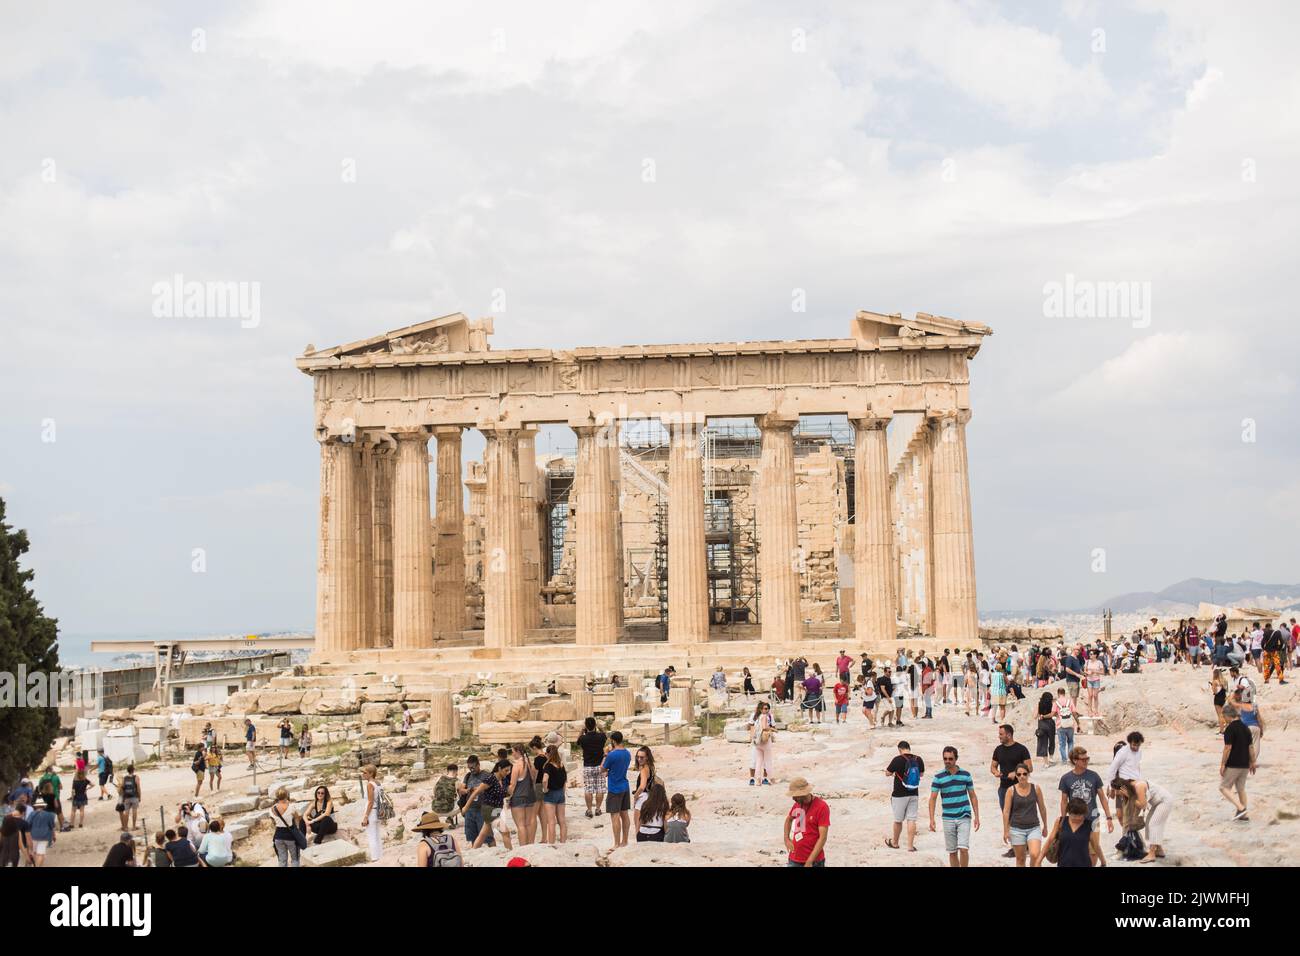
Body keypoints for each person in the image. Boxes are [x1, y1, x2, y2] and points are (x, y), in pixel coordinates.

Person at [928, 746, 979, 867]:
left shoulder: (966, 775)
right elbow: (932, 799)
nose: (947, 761)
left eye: (950, 758)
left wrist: (977, 816)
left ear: (956, 759)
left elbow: (973, 796)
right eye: (945, 758)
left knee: (964, 849)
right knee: (952, 852)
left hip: (964, 816)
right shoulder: (938, 777)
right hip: (948, 818)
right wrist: (931, 819)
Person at [1112, 777, 1173, 863]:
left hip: (1164, 801)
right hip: (1157, 803)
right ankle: (1159, 850)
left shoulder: (1138, 786)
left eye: (1118, 791)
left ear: (1123, 788)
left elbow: (1143, 805)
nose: (1117, 794)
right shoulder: (1132, 787)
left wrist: (1129, 796)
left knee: (1154, 824)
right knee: (1148, 822)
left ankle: (1152, 854)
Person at [1057, 747, 1113, 834]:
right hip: (1075, 820)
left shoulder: (1094, 776)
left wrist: (1109, 817)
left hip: (1093, 819)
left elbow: (1102, 798)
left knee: (1094, 847)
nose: (1086, 761)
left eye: (1087, 759)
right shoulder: (1065, 779)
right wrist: (1063, 820)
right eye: (1083, 759)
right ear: (1075, 760)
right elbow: (1064, 801)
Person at [1002, 762, 1046, 867]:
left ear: (1028, 774)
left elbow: (1042, 808)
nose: (1022, 776)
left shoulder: (1036, 789)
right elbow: (1006, 811)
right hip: (1016, 829)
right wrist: (1005, 830)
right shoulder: (1011, 790)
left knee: (1035, 855)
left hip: (1034, 827)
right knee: (1020, 859)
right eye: (1019, 774)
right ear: (1016, 776)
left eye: (1025, 774)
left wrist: (1045, 826)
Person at [883, 740, 924, 851]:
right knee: (911, 819)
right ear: (909, 748)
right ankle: (910, 846)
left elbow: (887, 772)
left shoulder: (897, 759)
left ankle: (895, 843)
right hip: (914, 793)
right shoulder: (918, 759)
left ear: (900, 749)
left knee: (898, 820)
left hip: (899, 794)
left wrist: (894, 773)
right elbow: (921, 774)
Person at [463, 758, 512, 850]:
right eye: (506, 770)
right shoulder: (491, 778)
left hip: (497, 810)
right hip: (489, 810)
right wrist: (466, 807)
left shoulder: (503, 779)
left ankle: (474, 851)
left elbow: (506, 793)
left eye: (509, 770)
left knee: (482, 834)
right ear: (500, 768)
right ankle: (511, 854)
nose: (508, 772)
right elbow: (476, 792)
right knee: (505, 832)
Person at [1218, 703, 1255, 821]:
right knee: (1241, 789)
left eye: (1224, 717)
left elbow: (1227, 748)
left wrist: (1223, 764)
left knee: (1223, 787)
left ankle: (1241, 808)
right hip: (1245, 764)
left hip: (1234, 763)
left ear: (1229, 715)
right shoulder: (1245, 728)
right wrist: (1252, 762)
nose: (1224, 719)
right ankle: (1244, 815)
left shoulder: (1230, 729)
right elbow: (1251, 747)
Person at [1046, 797, 1104, 868]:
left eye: (1080, 815)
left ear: (1084, 813)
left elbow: (1096, 846)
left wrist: (1103, 862)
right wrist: (1039, 860)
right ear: (1068, 812)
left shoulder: (1089, 825)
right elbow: (1049, 841)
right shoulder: (1060, 822)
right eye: (1074, 815)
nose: (1077, 818)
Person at [784, 777, 829, 867]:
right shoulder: (797, 804)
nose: (793, 798)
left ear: (802, 794)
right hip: (794, 857)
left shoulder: (821, 807)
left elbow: (822, 838)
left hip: (814, 861)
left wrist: (810, 861)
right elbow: (788, 819)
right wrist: (786, 838)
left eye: (795, 796)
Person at [601, 731, 633, 849]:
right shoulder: (627, 753)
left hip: (614, 788)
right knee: (625, 814)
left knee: (615, 816)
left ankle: (616, 843)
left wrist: (605, 754)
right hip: (625, 785)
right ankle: (625, 841)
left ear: (613, 741)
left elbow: (602, 769)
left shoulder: (612, 755)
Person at [506, 742, 537, 846]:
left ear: (518, 752)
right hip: (530, 796)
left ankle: (523, 847)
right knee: (528, 824)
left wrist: (506, 793)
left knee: (520, 825)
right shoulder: (529, 763)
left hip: (518, 797)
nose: (512, 754)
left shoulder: (516, 765)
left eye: (513, 752)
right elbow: (533, 779)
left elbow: (512, 785)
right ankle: (529, 845)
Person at [576, 717, 607, 818]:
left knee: (588, 789)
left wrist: (581, 730)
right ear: (595, 725)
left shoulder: (583, 738)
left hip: (588, 766)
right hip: (600, 765)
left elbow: (577, 741)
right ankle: (598, 809)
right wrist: (600, 727)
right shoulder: (601, 736)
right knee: (600, 788)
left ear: (586, 726)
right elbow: (605, 735)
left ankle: (589, 810)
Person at [540, 745, 568, 844]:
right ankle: (563, 842)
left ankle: (551, 844)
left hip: (551, 793)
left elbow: (544, 780)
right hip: (560, 793)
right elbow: (565, 780)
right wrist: (563, 792)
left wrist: (545, 789)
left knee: (551, 822)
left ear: (548, 754)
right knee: (562, 820)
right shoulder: (561, 764)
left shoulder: (548, 765)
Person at [360, 764, 385, 861]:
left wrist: (366, 816)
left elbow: (370, 802)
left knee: (371, 835)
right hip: (378, 811)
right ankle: (380, 856)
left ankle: (375, 858)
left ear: (371, 774)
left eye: (365, 772)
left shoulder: (370, 784)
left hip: (372, 812)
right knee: (377, 834)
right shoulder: (378, 783)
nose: (363, 774)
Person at [749, 700, 775, 785]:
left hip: (758, 741)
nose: (767, 710)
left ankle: (758, 780)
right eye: (765, 708)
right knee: (767, 760)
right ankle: (771, 778)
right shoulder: (764, 716)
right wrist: (772, 729)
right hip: (764, 741)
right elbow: (764, 727)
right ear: (761, 709)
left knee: (758, 761)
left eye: (768, 709)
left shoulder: (761, 716)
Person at [36, 766, 67, 832]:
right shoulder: (55, 777)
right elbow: (61, 787)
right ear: (51, 770)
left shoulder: (42, 778)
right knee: (59, 812)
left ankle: (48, 828)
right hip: (55, 797)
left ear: (46, 771)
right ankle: (62, 827)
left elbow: (39, 789)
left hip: (45, 798)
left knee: (47, 812)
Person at [1052, 688, 1079, 764]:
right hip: (1070, 725)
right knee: (1070, 742)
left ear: (1058, 693)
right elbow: (1074, 713)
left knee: (1062, 743)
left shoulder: (1056, 702)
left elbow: (1053, 713)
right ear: (1064, 693)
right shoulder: (1069, 701)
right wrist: (1078, 723)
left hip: (1060, 725)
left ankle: (1064, 760)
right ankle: (1070, 759)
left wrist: (1057, 714)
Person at [28, 799, 56, 866]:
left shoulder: (32, 814)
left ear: (36, 806)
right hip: (45, 836)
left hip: (33, 835)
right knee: (41, 854)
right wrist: (54, 835)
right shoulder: (49, 815)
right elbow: (52, 827)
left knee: (34, 852)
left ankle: (34, 865)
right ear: (44, 806)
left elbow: (28, 824)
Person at [1034, 692, 1055, 765]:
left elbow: (1034, 716)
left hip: (1041, 724)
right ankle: (1051, 757)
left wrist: (1041, 716)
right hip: (1050, 723)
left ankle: (1046, 763)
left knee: (1042, 742)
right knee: (1052, 740)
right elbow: (1052, 714)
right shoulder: (1052, 704)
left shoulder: (1039, 704)